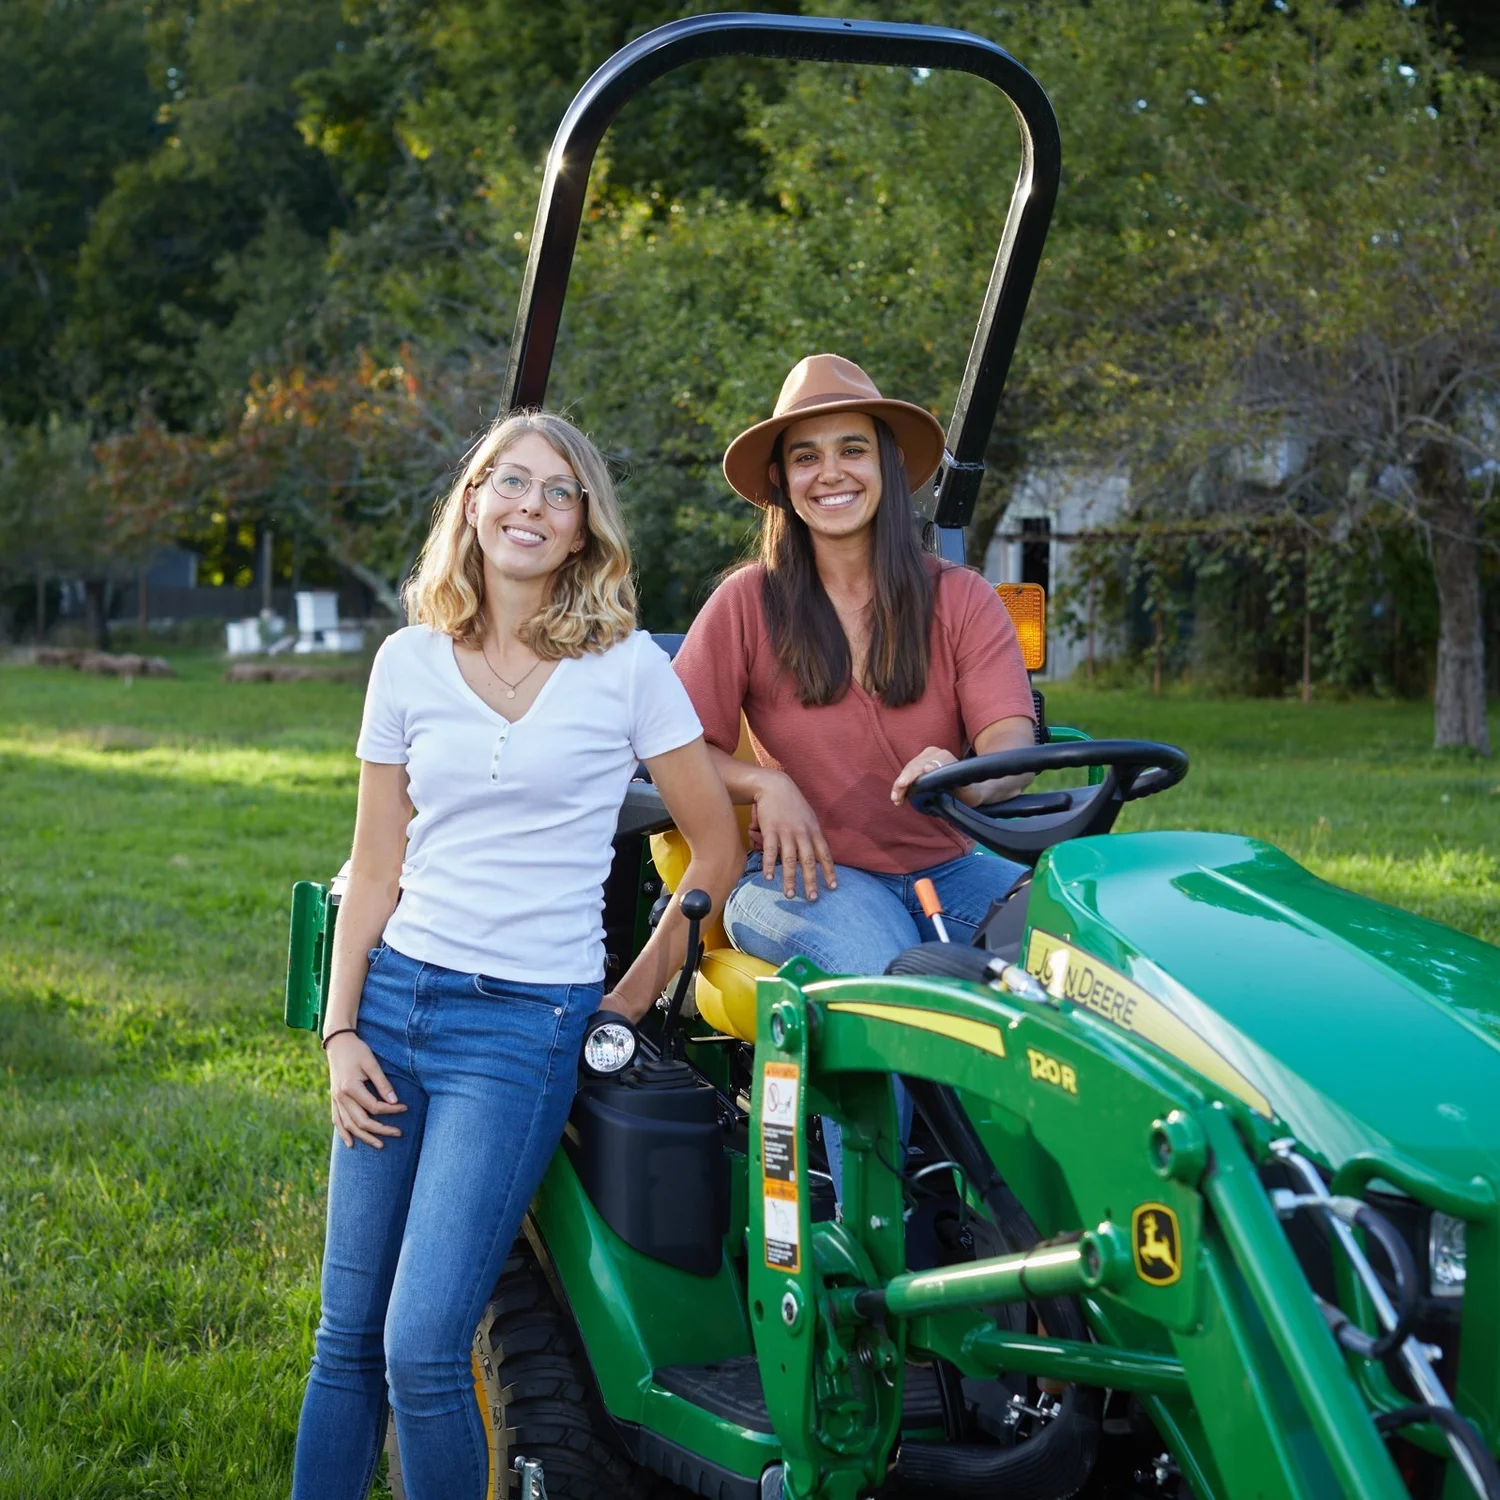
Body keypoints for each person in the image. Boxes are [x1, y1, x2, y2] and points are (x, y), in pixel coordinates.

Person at [291, 411, 742, 1500]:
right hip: (394, 1007)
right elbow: (373, 865)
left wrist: (627, 1001)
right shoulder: (406, 662)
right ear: (473, 503)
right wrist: (339, 1030)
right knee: (343, 1338)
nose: (530, 506)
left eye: (558, 491)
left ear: (585, 528)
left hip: (521, 1029)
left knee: (422, 1344)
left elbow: (717, 843)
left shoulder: (628, 669)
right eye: (510, 482)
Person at [672, 354, 1036, 1192]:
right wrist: (765, 784)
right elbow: (672, 750)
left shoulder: (962, 599)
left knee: (1077, 955)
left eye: (851, 450)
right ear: (782, 482)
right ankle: (871, 1254)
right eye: (806, 456)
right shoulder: (745, 604)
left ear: (886, 467)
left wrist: (965, 770)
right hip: (800, 878)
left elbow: (1008, 742)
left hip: (951, 867)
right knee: (887, 985)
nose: (830, 473)